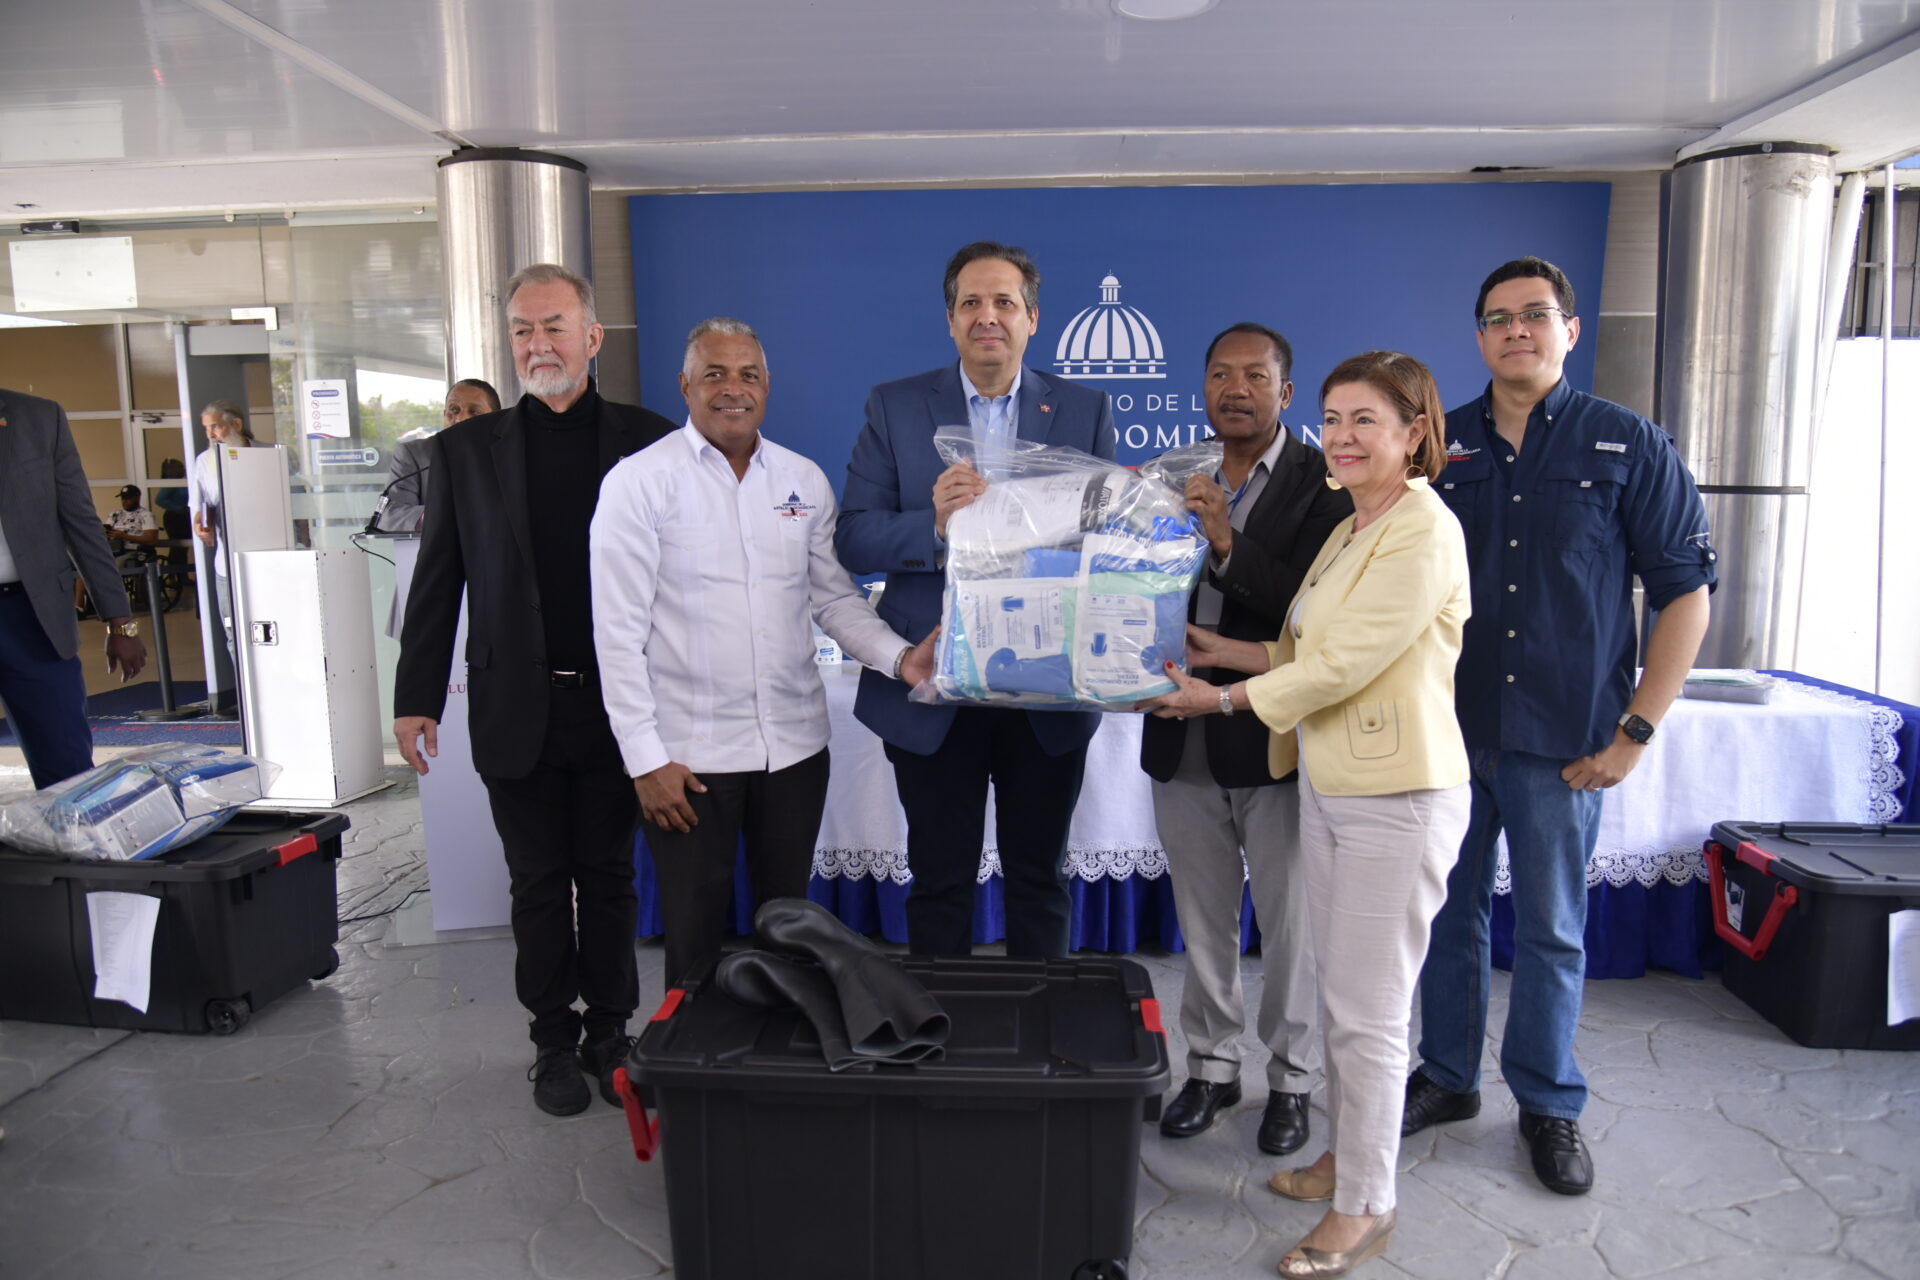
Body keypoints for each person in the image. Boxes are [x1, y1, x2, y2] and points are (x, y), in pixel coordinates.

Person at [1148, 350, 1471, 1279]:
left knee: (1367, 1012)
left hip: (1398, 797)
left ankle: (1367, 1204)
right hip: (1335, 783)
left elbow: (1340, 668)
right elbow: (1293, 641)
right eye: (1333, 419)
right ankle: (1348, 1158)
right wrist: (1209, 648)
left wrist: (1216, 704)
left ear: (1415, 433)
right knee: (1343, 999)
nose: (1342, 436)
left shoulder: (1422, 529)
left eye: (1365, 420)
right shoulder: (1354, 525)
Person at [1405, 257, 1715, 1197]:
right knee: (1445, 920)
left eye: (1536, 316)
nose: (1517, 332)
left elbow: (1684, 597)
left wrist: (1635, 734)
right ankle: (1449, 1078)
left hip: (1568, 745)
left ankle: (1548, 1103)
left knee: (1550, 928)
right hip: (1446, 739)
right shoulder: (1439, 445)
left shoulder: (1629, 445)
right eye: (1497, 318)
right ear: (1478, 336)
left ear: (1570, 331)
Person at [393, 263, 675, 1117]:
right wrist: (416, 698)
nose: (537, 344)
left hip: (620, 708)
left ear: (592, 338)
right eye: (522, 329)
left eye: (554, 326)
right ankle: (552, 1039)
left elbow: (685, 579)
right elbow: (438, 581)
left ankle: (611, 1033)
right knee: (539, 882)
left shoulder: (651, 440)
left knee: (610, 877)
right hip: (516, 706)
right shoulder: (465, 452)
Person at [591, 318, 935, 991]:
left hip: (794, 751)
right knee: (693, 939)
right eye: (714, 373)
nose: (732, 389)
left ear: (767, 388)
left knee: (790, 929)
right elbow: (617, 633)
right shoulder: (638, 483)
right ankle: (691, 1084)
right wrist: (644, 761)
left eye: (748, 374)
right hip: (688, 762)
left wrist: (901, 660)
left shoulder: (801, 480)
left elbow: (834, 602)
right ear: (684, 385)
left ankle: (779, 1071)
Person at [836, 240, 1116, 958]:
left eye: (1004, 303)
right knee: (938, 879)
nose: (987, 316)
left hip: (1047, 681)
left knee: (1038, 879)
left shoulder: (1084, 410)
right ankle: (936, 1047)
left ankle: (1043, 1046)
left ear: (1032, 318)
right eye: (971, 303)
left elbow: (1110, 543)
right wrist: (934, 524)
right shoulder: (895, 407)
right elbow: (857, 538)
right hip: (934, 679)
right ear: (951, 320)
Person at [1143, 324, 1351, 1155]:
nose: (1236, 388)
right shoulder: (1169, 476)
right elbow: (1136, 583)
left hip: (1271, 733)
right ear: (1202, 388)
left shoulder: (1327, 483)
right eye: (1221, 374)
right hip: (1175, 733)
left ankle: (1293, 1081)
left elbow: (1308, 603)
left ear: (1286, 393)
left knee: (1290, 922)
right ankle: (1212, 1068)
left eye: (1255, 376)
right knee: (1202, 923)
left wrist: (1226, 539)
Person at [0, 388, 147, 788]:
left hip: (33, 618)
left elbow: (80, 522)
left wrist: (121, 622)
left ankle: (77, 850)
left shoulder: (39, 417)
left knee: (68, 774)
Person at [190, 399, 255, 714]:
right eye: (207, 429)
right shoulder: (204, 461)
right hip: (225, 566)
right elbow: (199, 505)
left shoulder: (268, 454)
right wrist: (201, 527)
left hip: (265, 563)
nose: (211, 434)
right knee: (233, 632)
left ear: (236, 425)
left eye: (215, 426)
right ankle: (247, 699)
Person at [375, 378, 501, 533]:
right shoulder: (416, 454)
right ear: (444, 414)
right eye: (454, 410)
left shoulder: (511, 456)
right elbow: (389, 516)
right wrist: (440, 517)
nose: (461, 418)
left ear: (496, 419)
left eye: (474, 412)